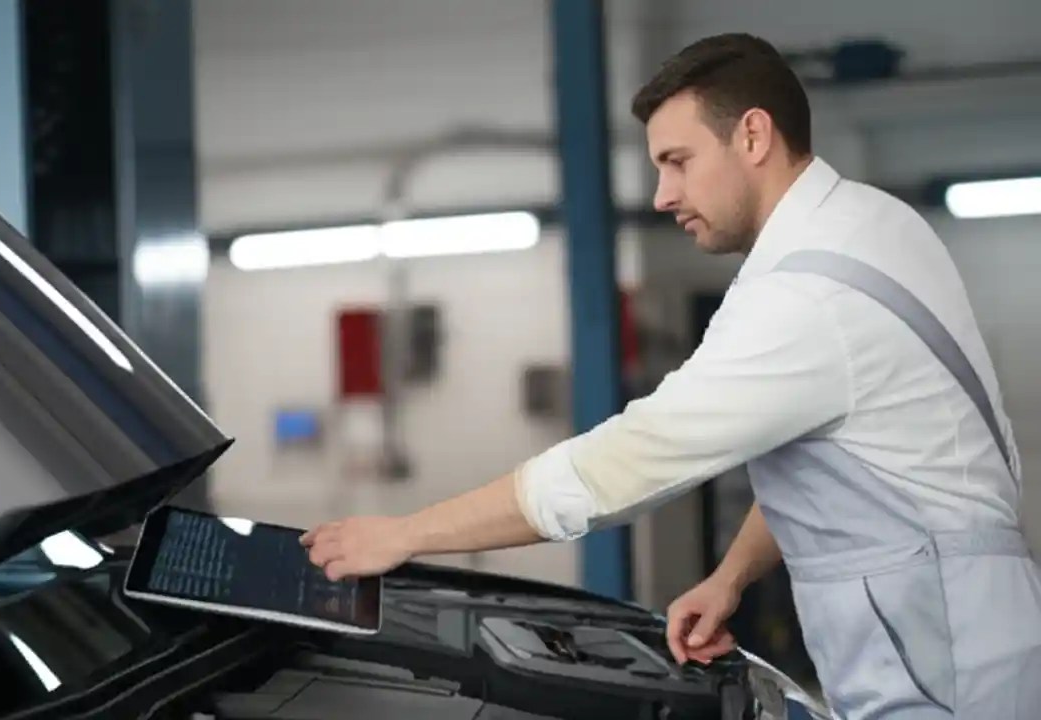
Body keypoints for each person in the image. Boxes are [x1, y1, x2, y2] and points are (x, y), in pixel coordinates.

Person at [300, 32, 1041, 718]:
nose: (661, 196)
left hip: (943, 659)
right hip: (953, 627)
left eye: (677, 161)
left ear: (752, 135)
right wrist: (732, 577)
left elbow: (618, 467)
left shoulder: (804, 298)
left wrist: (404, 533)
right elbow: (840, 456)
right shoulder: (872, 224)